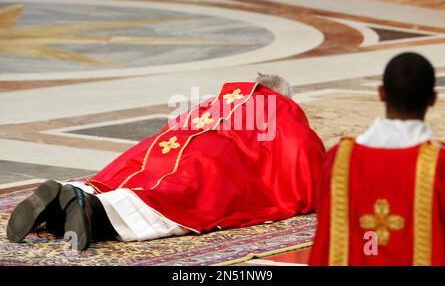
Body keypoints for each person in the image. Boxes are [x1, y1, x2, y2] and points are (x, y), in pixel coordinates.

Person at [8, 73, 325, 251]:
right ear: (283, 96)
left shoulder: (214, 103)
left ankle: (69, 192)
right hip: (216, 162)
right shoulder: (283, 115)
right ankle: (92, 210)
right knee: (180, 197)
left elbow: (173, 127)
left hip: (162, 148)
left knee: (127, 177)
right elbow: (305, 164)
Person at [310, 52, 445, 266]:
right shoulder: (438, 165)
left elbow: (327, 235)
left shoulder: (339, 158)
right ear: (433, 99)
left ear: (381, 93)